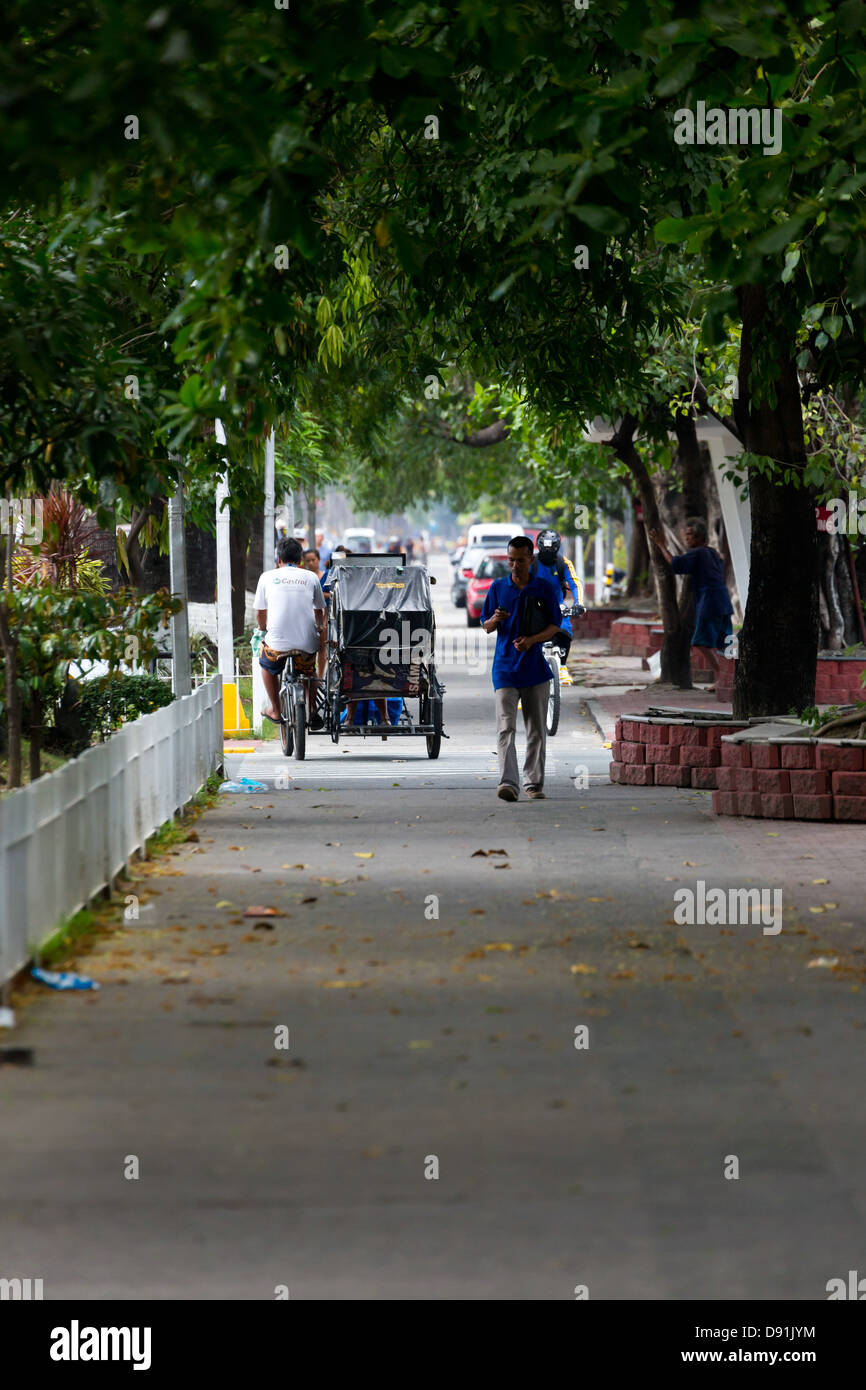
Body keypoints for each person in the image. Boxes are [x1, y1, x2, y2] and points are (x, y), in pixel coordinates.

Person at [481, 536, 563, 802]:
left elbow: (555, 625)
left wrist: (532, 640)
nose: (515, 565)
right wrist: (495, 618)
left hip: (535, 669)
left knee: (536, 729)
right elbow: (486, 625)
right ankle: (508, 783)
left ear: (531, 559)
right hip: (504, 668)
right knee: (506, 727)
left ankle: (533, 783)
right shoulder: (497, 587)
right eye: (511, 560)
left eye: (520, 560)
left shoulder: (544, 588)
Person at [649, 517, 733, 690]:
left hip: (709, 602)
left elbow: (675, 564)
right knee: (724, 644)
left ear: (699, 537)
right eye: (685, 535)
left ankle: (722, 678)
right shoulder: (712, 553)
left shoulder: (698, 553)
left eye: (689, 535)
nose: (686, 538)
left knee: (701, 642)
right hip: (723, 602)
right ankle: (730, 678)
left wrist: (660, 544)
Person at [255, 536, 325, 728]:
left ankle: (276, 710)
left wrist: (263, 629)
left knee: (267, 666)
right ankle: (311, 710)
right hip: (306, 643)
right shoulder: (311, 577)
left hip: (277, 644)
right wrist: (318, 628)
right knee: (309, 673)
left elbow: (261, 613)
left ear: (279, 560)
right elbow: (319, 610)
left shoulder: (266, 577)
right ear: (300, 560)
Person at [530, 529, 581, 662]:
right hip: (533, 606)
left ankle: (562, 667)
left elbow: (575, 584)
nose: (548, 552)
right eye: (545, 548)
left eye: (551, 549)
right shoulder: (529, 563)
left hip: (556, 606)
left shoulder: (563, 563)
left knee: (565, 631)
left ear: (557, 547)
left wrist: (578, 604)